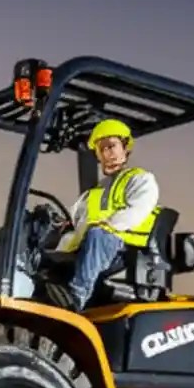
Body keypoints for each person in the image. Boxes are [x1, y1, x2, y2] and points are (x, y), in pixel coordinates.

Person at [45, 118, 161, 311]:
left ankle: (76, 298)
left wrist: (106, 224)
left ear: (125, 148)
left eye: (112, 146)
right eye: (102, 149)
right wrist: (59, 225)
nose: (108, 153)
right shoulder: (96, 191)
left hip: (124, 248)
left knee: (98, 234)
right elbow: (77, 216)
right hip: (95, 246)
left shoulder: (141, 179)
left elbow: (137, 211)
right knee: (47, 241)